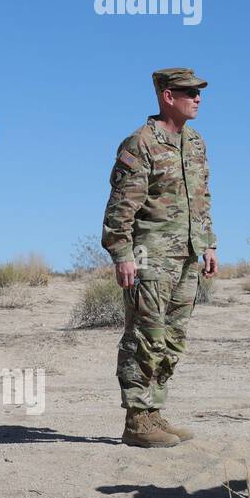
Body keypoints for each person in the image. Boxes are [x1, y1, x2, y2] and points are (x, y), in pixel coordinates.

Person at [101, 68, 218, 448]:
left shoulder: (195, 143)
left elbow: (202, 199)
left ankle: (154, 412)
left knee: (173, 337)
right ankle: (136, 419)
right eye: (189, 92)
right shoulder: (141, 144)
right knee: (145, 336)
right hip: (147, 256)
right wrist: (122, 253)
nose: (197, 98)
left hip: (185, 257)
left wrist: (209, 244)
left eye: (199, 92)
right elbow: (121, 207)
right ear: (168, 96)